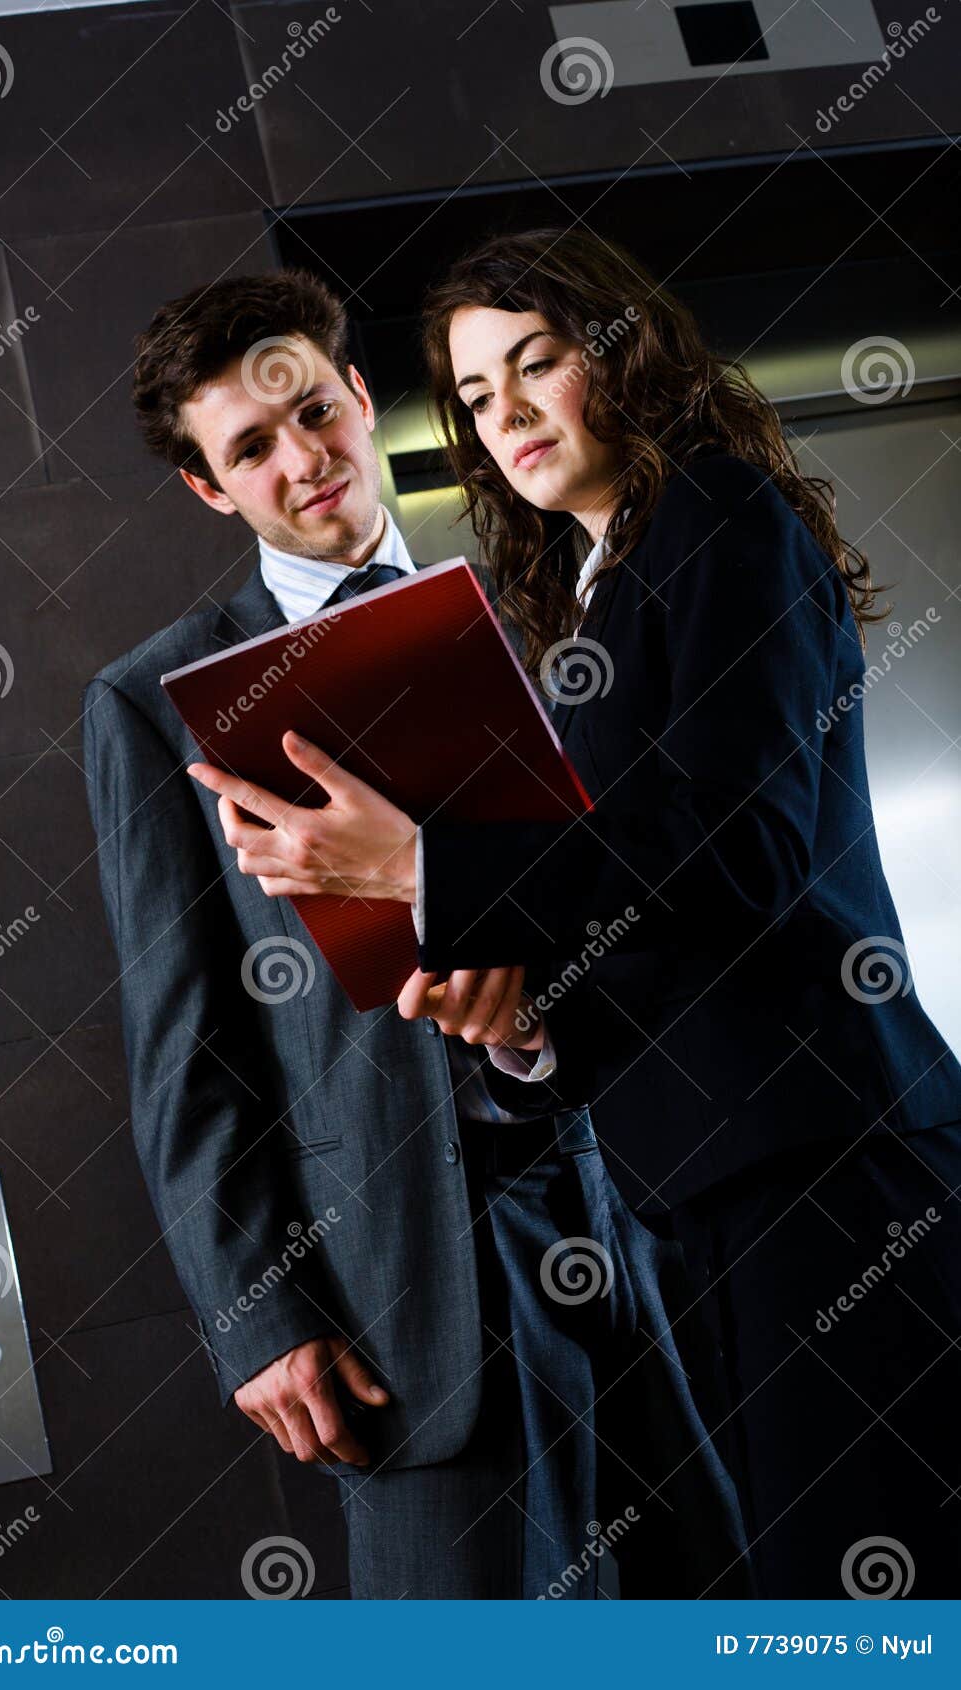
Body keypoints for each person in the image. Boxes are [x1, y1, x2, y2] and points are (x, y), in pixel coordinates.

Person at [196, 228, 961, 1598]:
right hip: (699, 1187)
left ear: (626, 355)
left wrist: (423, 870)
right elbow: (647, 912)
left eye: (537, 364)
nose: (510, 417)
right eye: (479, 399)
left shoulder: (718, 514)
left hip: (825, 1164)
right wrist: (527, 1023)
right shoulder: (587, 596)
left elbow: (738, 854)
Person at [81, 265, 750, 1600]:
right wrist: (258, 1320)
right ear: (211, 491)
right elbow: (183, 1045)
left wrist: (541, 1028)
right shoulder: (151, 703)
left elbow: (631, 899)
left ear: (360, 402)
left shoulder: (538, 609)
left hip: (624, 1218)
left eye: (318, 413)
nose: (307, 460)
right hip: (388, 1281)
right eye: (253, 449)